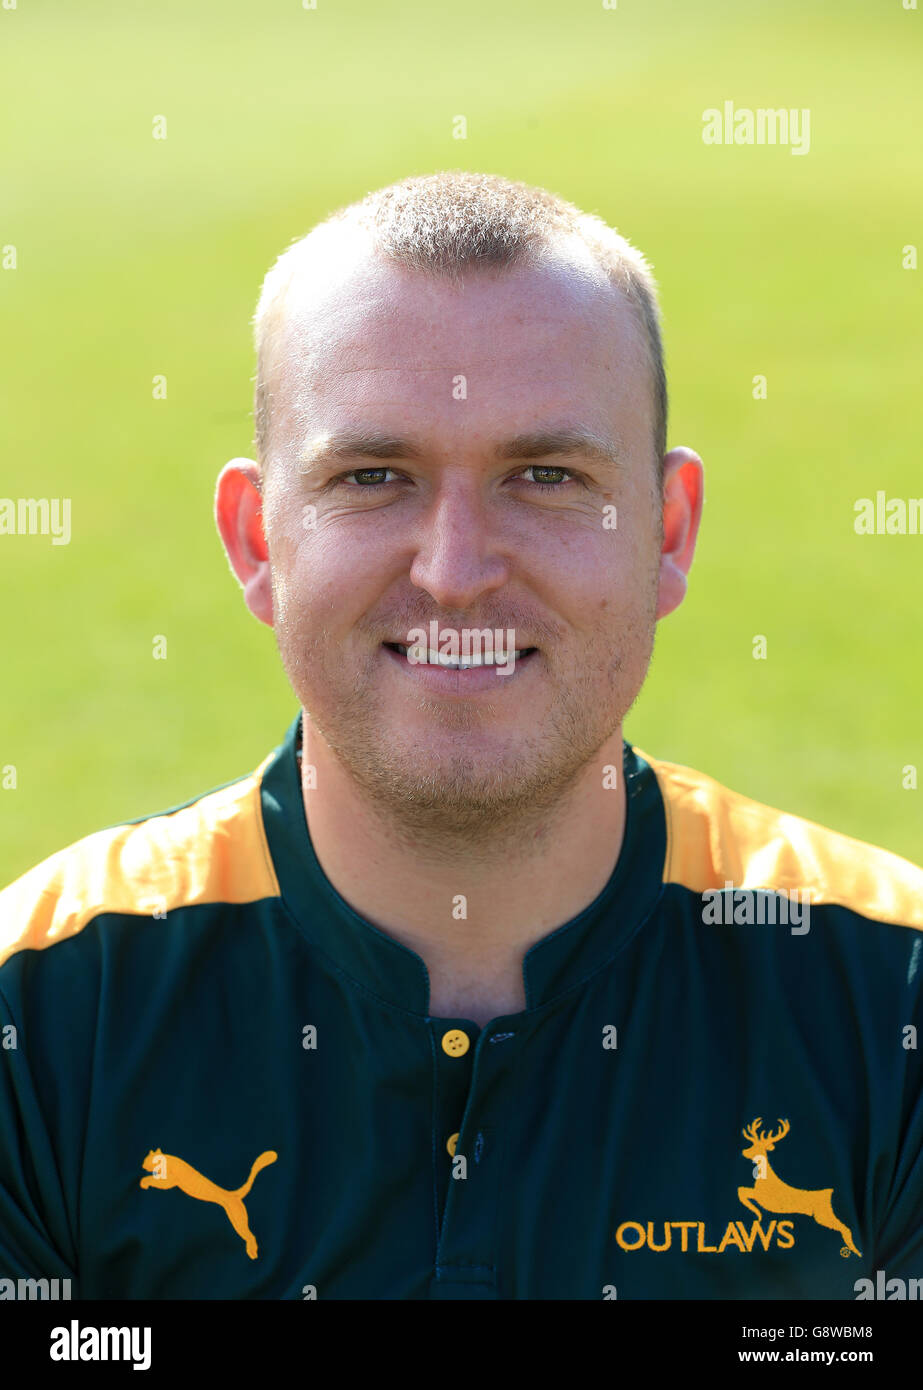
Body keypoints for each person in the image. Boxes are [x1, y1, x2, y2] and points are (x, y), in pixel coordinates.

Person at [1, 171, 920, 1301]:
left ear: (667, 531)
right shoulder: (42, 1008)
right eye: (372, 477)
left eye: (544, 476)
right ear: (256, 540)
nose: (453, 570)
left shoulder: (890, 994)